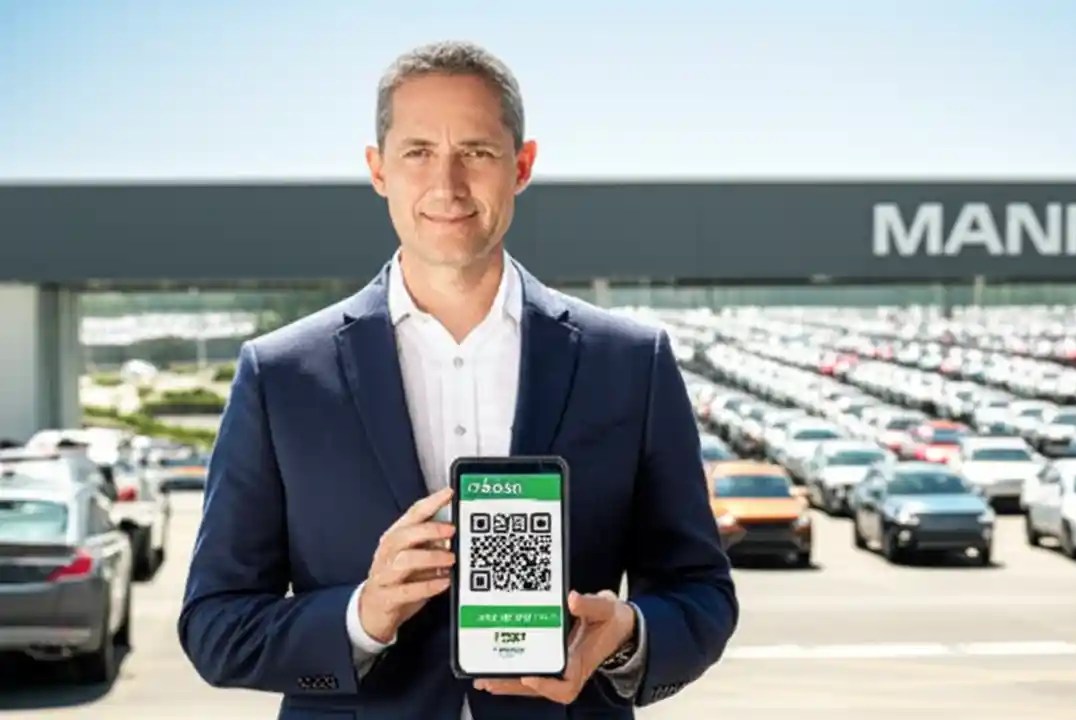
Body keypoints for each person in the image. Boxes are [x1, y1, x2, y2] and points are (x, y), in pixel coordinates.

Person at [178, 40, 738, 720]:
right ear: (378, 169)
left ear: (521, 166)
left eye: (476, 151)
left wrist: (621, 640)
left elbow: (701, 593)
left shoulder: (629, 362)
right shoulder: (281, 376)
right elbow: (215, 628)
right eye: (418, 152)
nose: (447, 185)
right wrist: (360, 618)